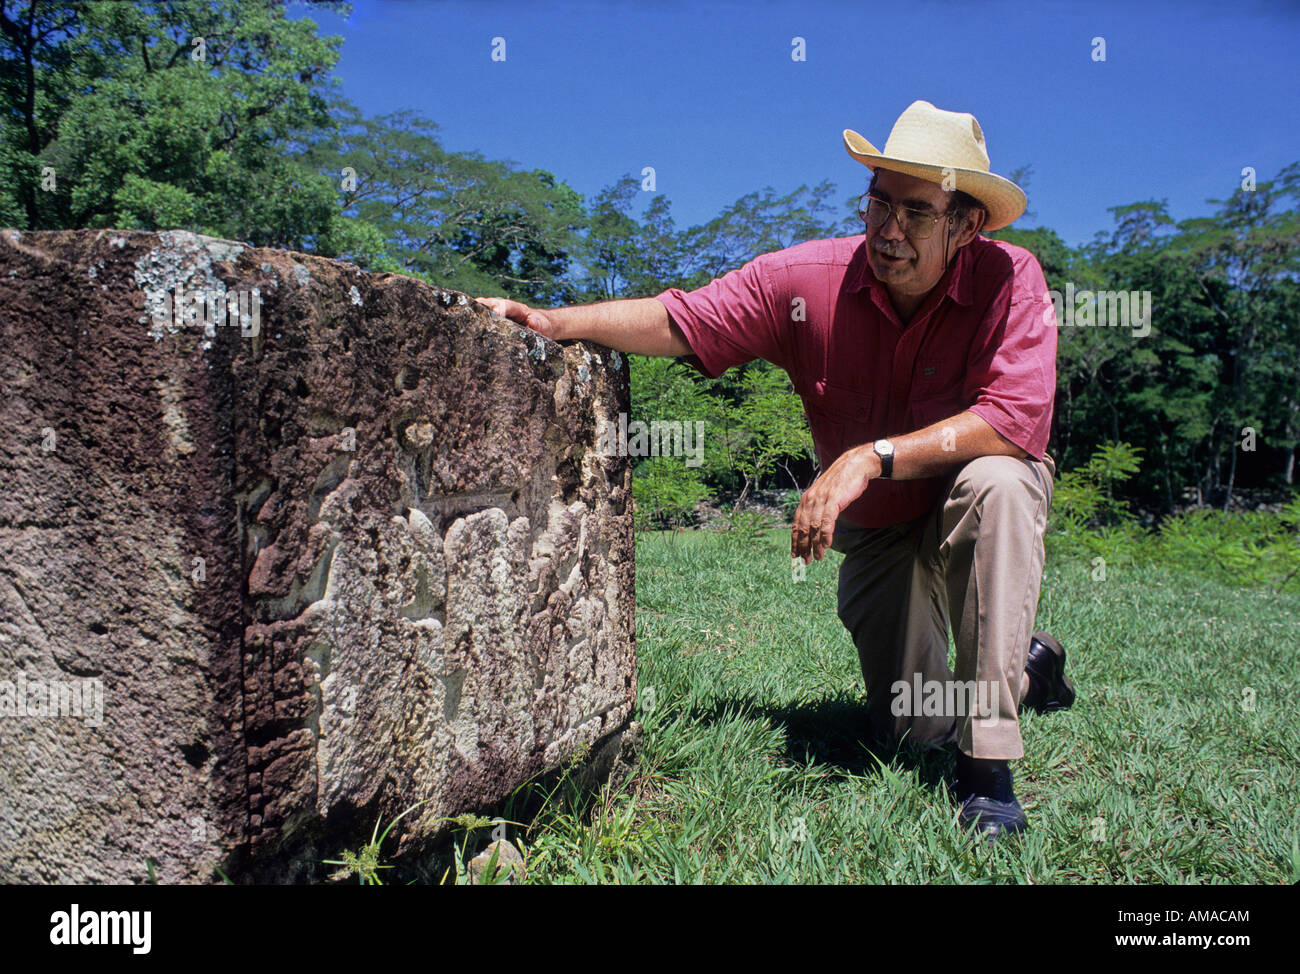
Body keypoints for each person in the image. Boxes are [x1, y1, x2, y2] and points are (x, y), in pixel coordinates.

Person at [477, 100, 1075, 842]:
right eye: (878, 204)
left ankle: (988, 772)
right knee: (910, 729)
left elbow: (1016, 423)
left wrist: (870, 455)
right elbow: (682, 318)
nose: (889, 231)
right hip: (882, 532)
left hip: (971, 502)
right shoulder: (808, 281)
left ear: (966, 225)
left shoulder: (1012, 279)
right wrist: (558, 321)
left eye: (917, 213)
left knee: (1001, 481)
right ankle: (1024, 670)